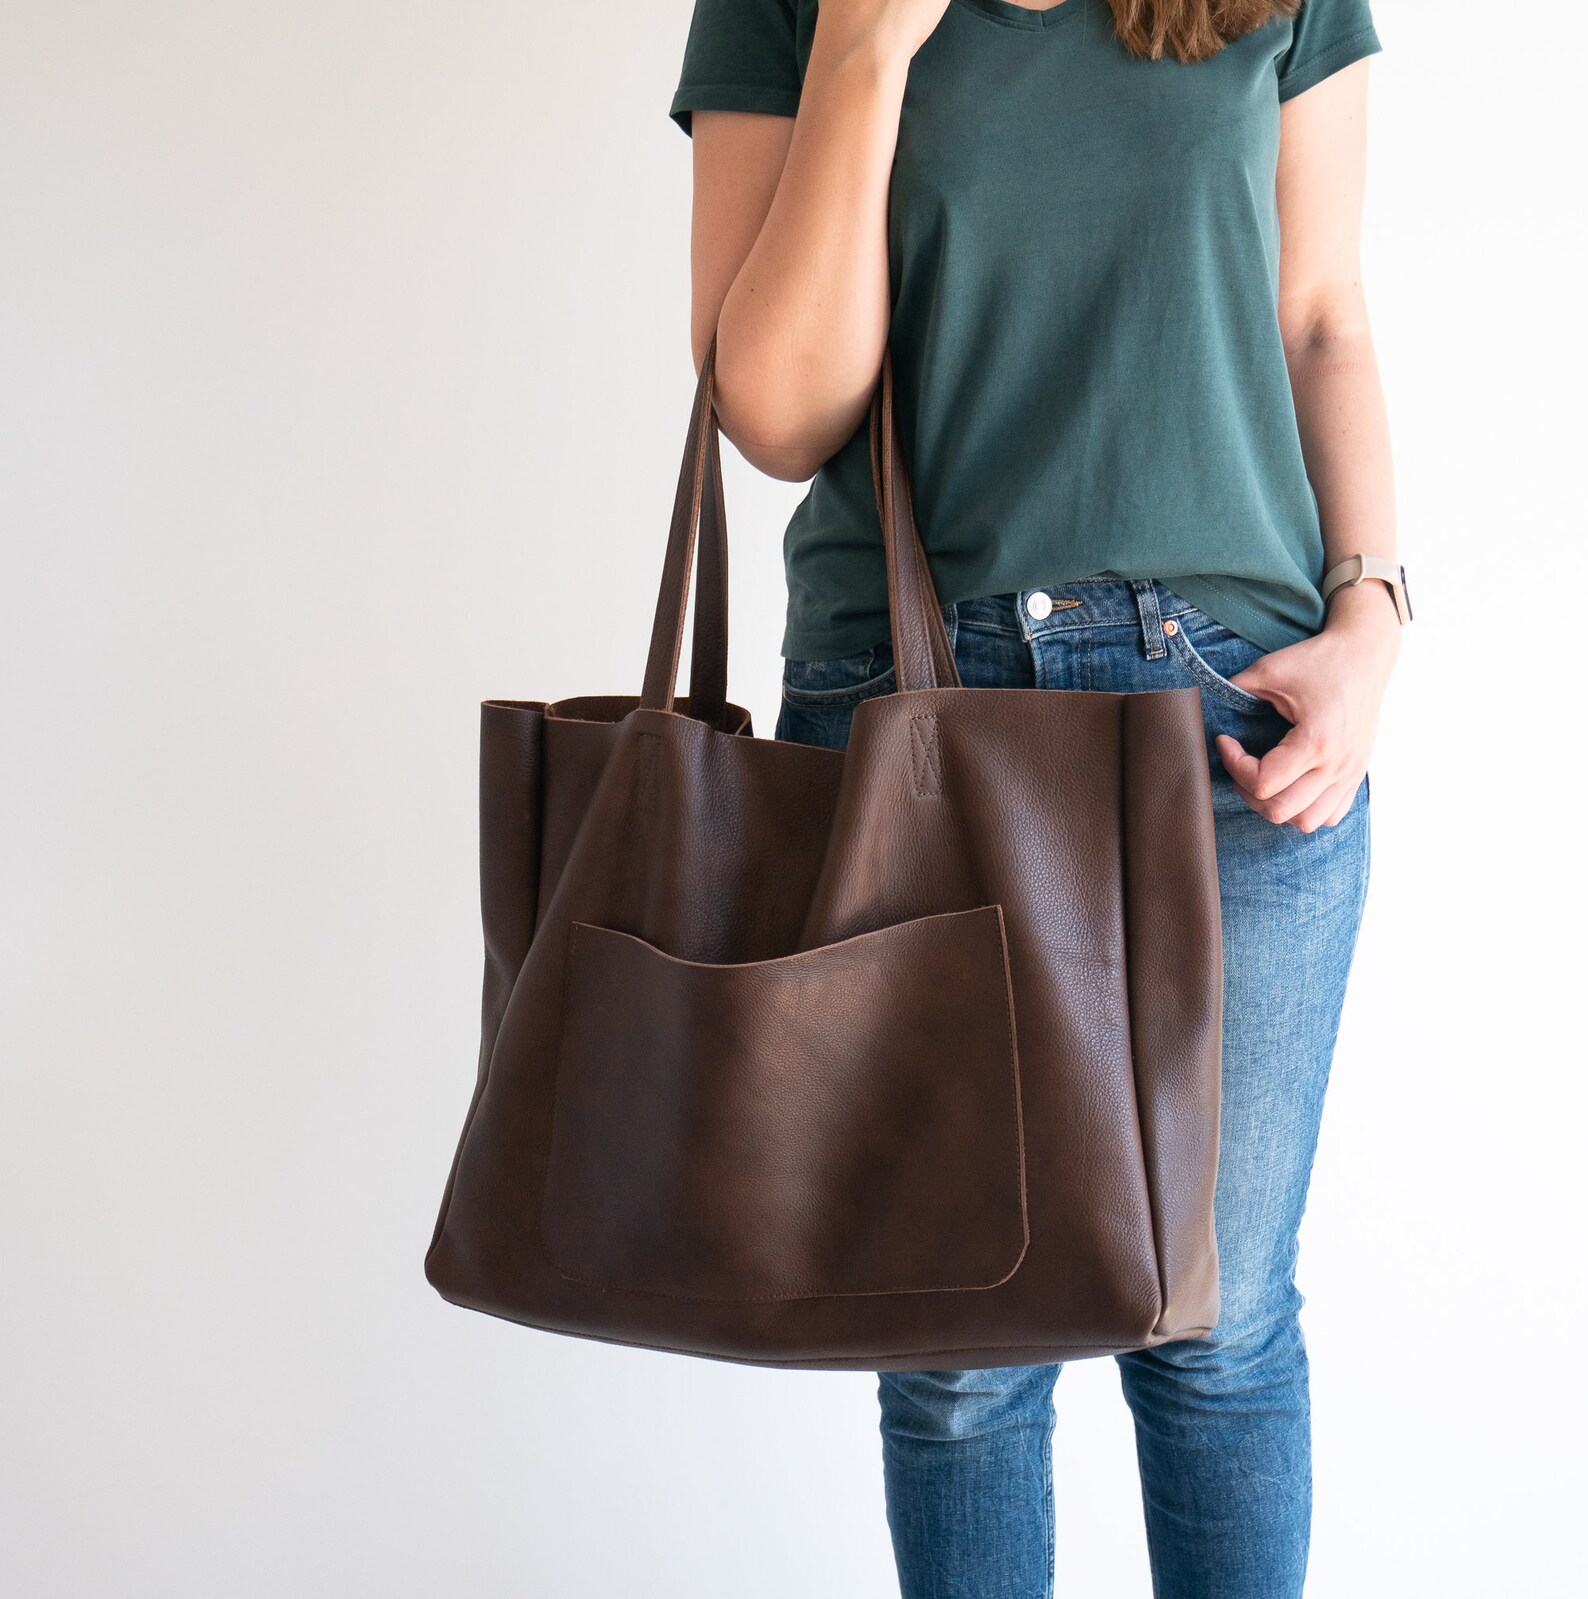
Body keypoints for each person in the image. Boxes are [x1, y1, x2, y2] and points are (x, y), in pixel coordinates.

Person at [667, 0, 1407, 1593]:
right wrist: (865, 48)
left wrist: (1375, 619)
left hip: (1233, 719)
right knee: (957, 1354)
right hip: (911, 719)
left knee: (1218, 1322)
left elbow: (1325, 317)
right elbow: (777, 413)